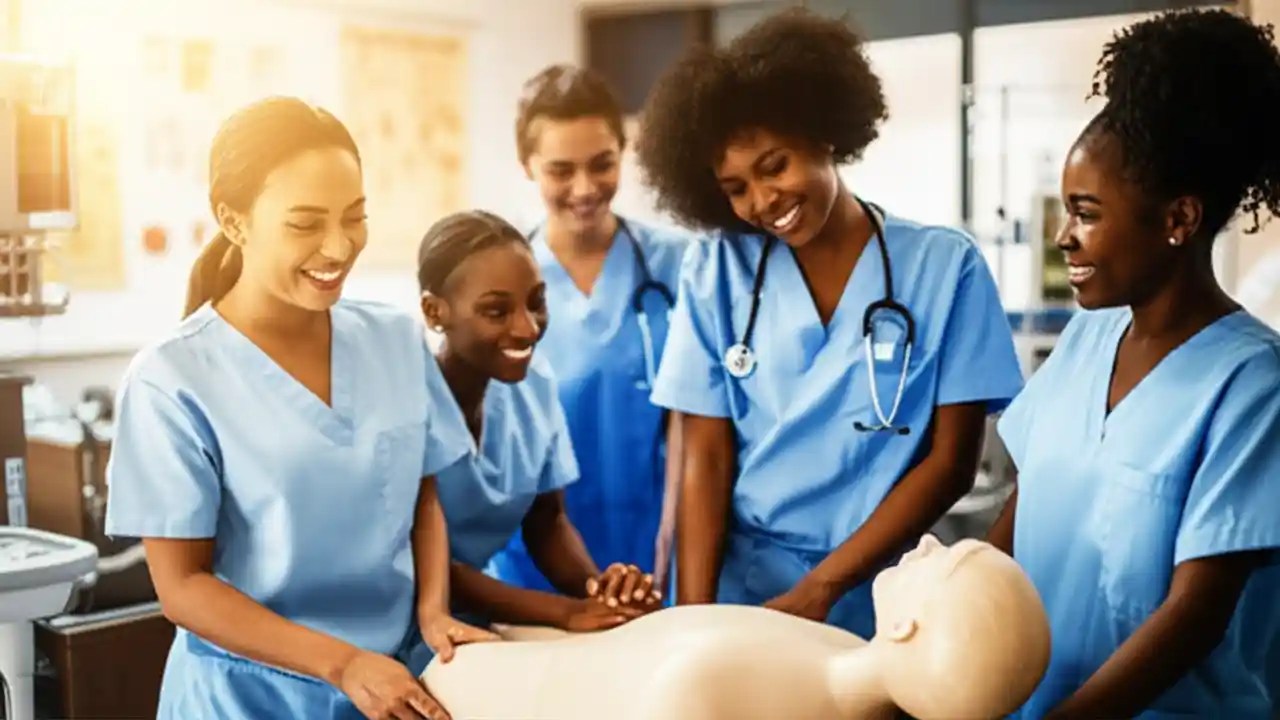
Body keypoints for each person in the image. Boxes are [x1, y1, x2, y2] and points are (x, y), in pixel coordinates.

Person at [633, 8, 1023, 638]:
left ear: (823, 136)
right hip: (742, 585)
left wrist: (825, 585)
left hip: (880, 590)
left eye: (774, 165)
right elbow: (704, 452)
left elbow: (951, 462)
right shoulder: (717, 266)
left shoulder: (944, 267)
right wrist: (695, 621)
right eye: (735, 187)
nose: (762, 202)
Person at [104, 96, 495, 720]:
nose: (339, 247)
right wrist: (343, 664)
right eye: (305, 223)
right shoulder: (171, 381)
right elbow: (182, 588)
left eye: (355, 216)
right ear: (232, 220)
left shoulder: (394, 339)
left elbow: (421, 494)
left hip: (391, 685)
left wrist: (433, 612)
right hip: (245, 697)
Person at [985, 9, 1280, 719]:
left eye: (1086, 213)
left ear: (1179, 219)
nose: (1064, 238)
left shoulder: (1253, 386)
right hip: (1030, 701)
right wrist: (949, 608)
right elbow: (1022, 512)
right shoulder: (1090, 339)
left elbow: (1194, 617)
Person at [421, 535, 1051, 720]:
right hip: (496, 660)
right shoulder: (840, 655)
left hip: (460, 688)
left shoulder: (717, 687)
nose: (928, 542)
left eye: (941, 559)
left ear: (909, 625)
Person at [484, 65, 691, 595]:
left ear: (626, 152)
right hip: (531, 560)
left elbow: (700, 425)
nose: (584, 189)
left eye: (602, 165)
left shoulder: (677, 265)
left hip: (653, 552)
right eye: (560, 170)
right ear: (526, 165)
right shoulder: (493, 279)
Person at [418, 210, 661, 651]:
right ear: (435, 312)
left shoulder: (534, 386)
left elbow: (547, 523)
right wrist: (567, 613)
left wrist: (600, 593)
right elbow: (426, 564)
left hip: (478, 624)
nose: (528, 327)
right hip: (404, 624)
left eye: (536, 301)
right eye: (497, 311)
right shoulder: (406, 403)